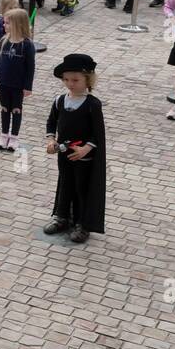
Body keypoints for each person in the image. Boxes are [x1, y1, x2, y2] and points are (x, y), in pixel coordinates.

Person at [43, 54, 106, 244]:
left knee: (82, 188)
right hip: (64, 154)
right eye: (66, 80)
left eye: (76, 80)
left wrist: (86, 149)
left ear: (88, 80)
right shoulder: (60, 101)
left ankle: (82, 223)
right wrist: (51, 140)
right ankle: (62, 216)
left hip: (83, 157)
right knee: (65, 184)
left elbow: (97, 134)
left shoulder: (92, 105)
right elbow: (51, 121)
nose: (70, 84)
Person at [0, 8, 36, 153]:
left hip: (18, 85)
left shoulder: (27, 45)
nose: (4, 25)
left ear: (17, 24)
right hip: (3, 82)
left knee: (16, 109)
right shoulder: (4, 41)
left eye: (7, 23)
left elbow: (30, 67)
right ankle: (4, 135)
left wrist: (27, 87)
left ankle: (14, 137)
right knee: (4, 108)